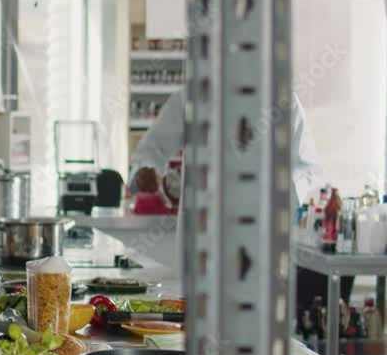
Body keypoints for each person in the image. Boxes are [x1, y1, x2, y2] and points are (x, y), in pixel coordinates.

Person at [129, 90, 353, 308]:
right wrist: (144, 172)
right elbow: (151, 151)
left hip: (261, 240)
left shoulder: (283, 101)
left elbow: (306, 169)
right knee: (198, 323)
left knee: (257, 324)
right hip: (203, 239)